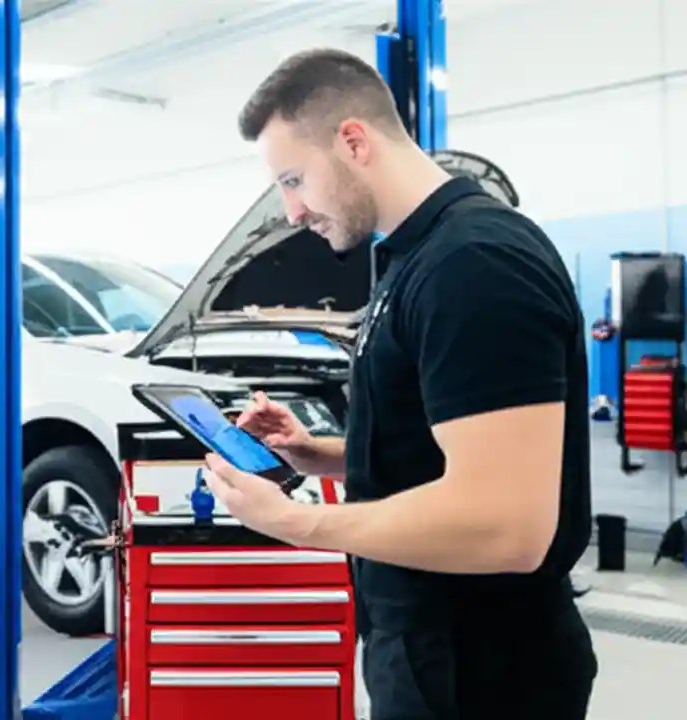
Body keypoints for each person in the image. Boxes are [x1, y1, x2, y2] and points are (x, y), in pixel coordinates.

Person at [203, 48, 598, 718]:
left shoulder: (474, 266)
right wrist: (324, 453)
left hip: (482, 672)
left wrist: (298, 522)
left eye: (295, 179)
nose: (292, 212)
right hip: (433, 650)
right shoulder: (417, 258)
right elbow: (451, 444)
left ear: (353, 140)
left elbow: (508, 527)